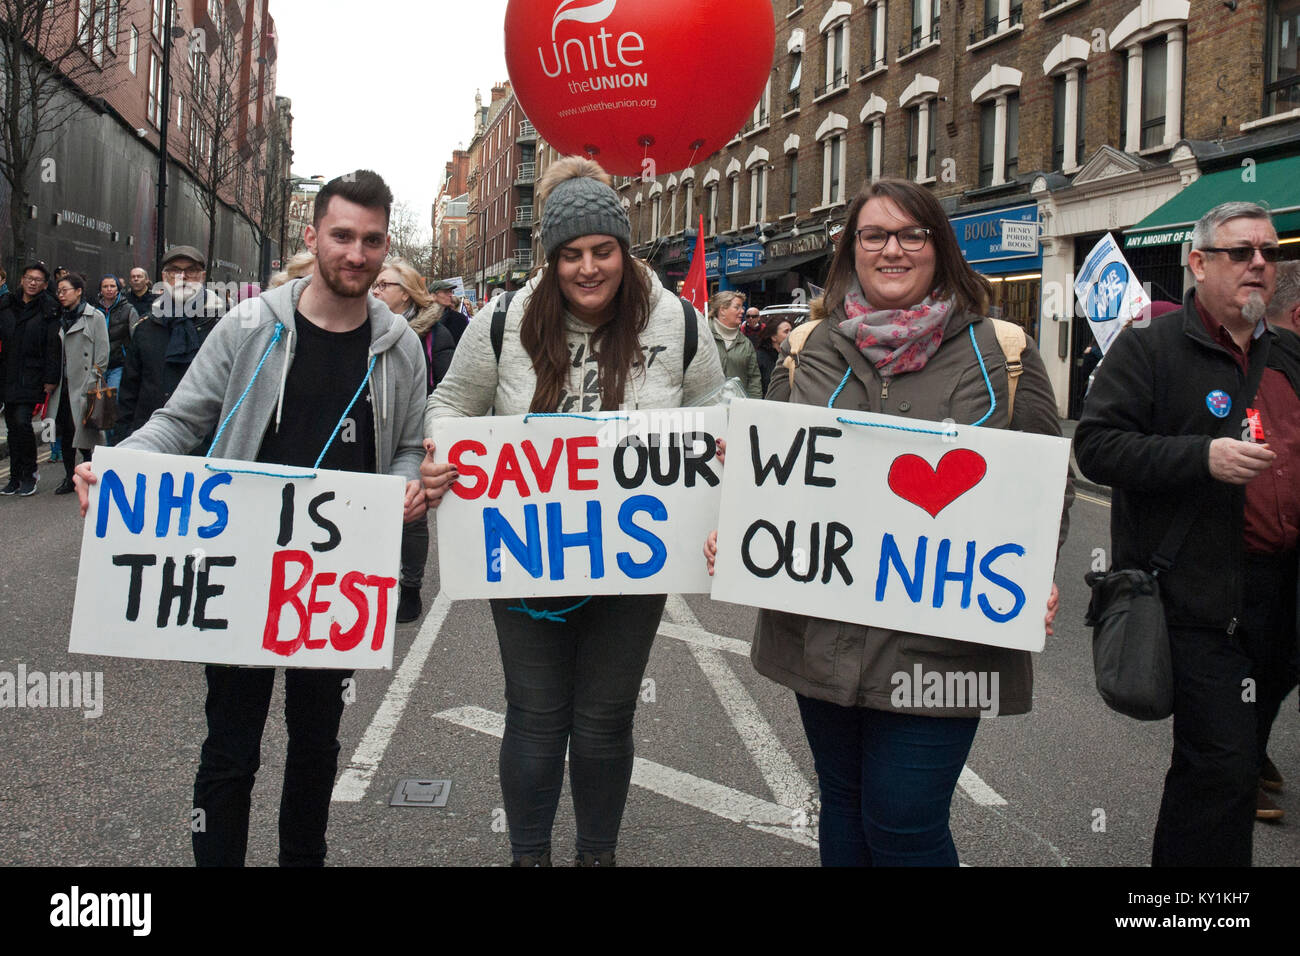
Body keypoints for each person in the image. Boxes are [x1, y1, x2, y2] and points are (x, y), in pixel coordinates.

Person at [705, 177, 1069, 866]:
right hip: (824, 633)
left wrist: (1034, 575)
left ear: (940, 247)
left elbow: (1049, 490)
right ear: (851, 249)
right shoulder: (806, 347)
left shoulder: (1005, 353)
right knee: (843, 807)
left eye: (912, 234)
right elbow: (773, 474)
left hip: (946, 642)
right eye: (874, 235)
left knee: (905, 819)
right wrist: (740, 514)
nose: (892, 249)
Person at [75, 170, 428, 867]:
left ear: (386, 246)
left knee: (316, 744)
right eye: (342, 236)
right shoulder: (249, 325)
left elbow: (411, 446)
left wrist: (403, 486)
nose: (356, 254)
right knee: (230, 748)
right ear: (312, 236)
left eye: (372, 240)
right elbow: (181, 421)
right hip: (241, 573)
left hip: (334, 582)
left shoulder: (401, 346)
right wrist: (114, 465)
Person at [421, 156, 725, 866]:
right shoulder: (502, 320)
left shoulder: (678, 322)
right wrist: (442, 451)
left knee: (605, 719)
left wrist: (727, 476)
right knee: (534, 715)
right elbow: (449, 406)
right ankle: (529, 858)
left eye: (602, 251)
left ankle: (597, 857)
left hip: (634, 560)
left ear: (624, 249)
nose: (588, 268)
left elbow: (720, 413)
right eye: (571, 255)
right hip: (527, 555)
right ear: (551, 259)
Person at [1076, 201, 1300, 863]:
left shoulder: (1288, 354)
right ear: (1199, 264)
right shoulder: (1150, 348)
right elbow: (1097, 447)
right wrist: (1200, 456)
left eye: (1268, 251)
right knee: (1224, 766)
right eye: (1241, 252)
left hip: (1281, 600)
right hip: (1199, 604)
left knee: (1225, 763)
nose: (1260, 263)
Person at [372, 256, 456, 623]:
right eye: (374, 284)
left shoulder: (435, 334)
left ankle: (410, 586)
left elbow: (448, 389)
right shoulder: (364, 327)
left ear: (406, 296)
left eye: (383, 285)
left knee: (412, 514)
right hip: (378, 429)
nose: (374, 290)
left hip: (418, 434)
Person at [116, 246, 224, 441]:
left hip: (208, 442)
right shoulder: (145, 327)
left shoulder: (223, 325)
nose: (182, 278)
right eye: (175, 271)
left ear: (202, 276)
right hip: (151, 439)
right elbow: (129, 390)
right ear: (165, 277)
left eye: (191, 271)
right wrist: (122, 440)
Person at [0, 262, 61, 496]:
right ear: (22, 280)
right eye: (29, 278)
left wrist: (50, 378)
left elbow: (53, 347)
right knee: (13, 427)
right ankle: (14, 477)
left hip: (33, 374)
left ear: (45, 285)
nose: (32, 283)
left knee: (23, 422)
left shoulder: (49, 309)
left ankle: (30, 473)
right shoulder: (7, 305)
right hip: (8, 373)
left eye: (38, 280)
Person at [49, 273, 109, 494]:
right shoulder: (57, 317)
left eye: (65, 290)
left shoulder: (95, 317)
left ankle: (93, 473)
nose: (61, 295)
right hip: (61, 384)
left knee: (85, 434)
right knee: (65, 433)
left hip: (84, 385)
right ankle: (70, 477)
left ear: (79, 291)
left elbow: (103, 354)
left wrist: (92, 379)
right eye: (59, 291)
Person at [709, 290, 763, 398]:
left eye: (742, 307)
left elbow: (754, 379)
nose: (743, 311)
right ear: (723, 310)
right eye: (737, 307)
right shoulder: (703, 336)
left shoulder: (746, 344)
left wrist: (754, 404)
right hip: (705, 407)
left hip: (736, 408)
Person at [98, 274, 139, 393]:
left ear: (118, 289)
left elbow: (135, 337)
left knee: (114, 398)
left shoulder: (128, 309)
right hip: (98, 365)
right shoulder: (94, 309)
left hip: (118, 363)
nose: (109, 289)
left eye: (112, 286)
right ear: (101, 290)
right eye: (105, 286)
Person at [755, 317, 792, 396]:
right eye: (786, 331)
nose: (791, 334)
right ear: (774, 337)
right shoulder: (760, 358)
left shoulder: (793, 356)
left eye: (791, 330)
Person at [429, 279, 469, 344]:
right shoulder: (422, 318)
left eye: (451, 292)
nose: (450, 295)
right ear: (433, 295)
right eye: (446, 292)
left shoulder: (459, 319)